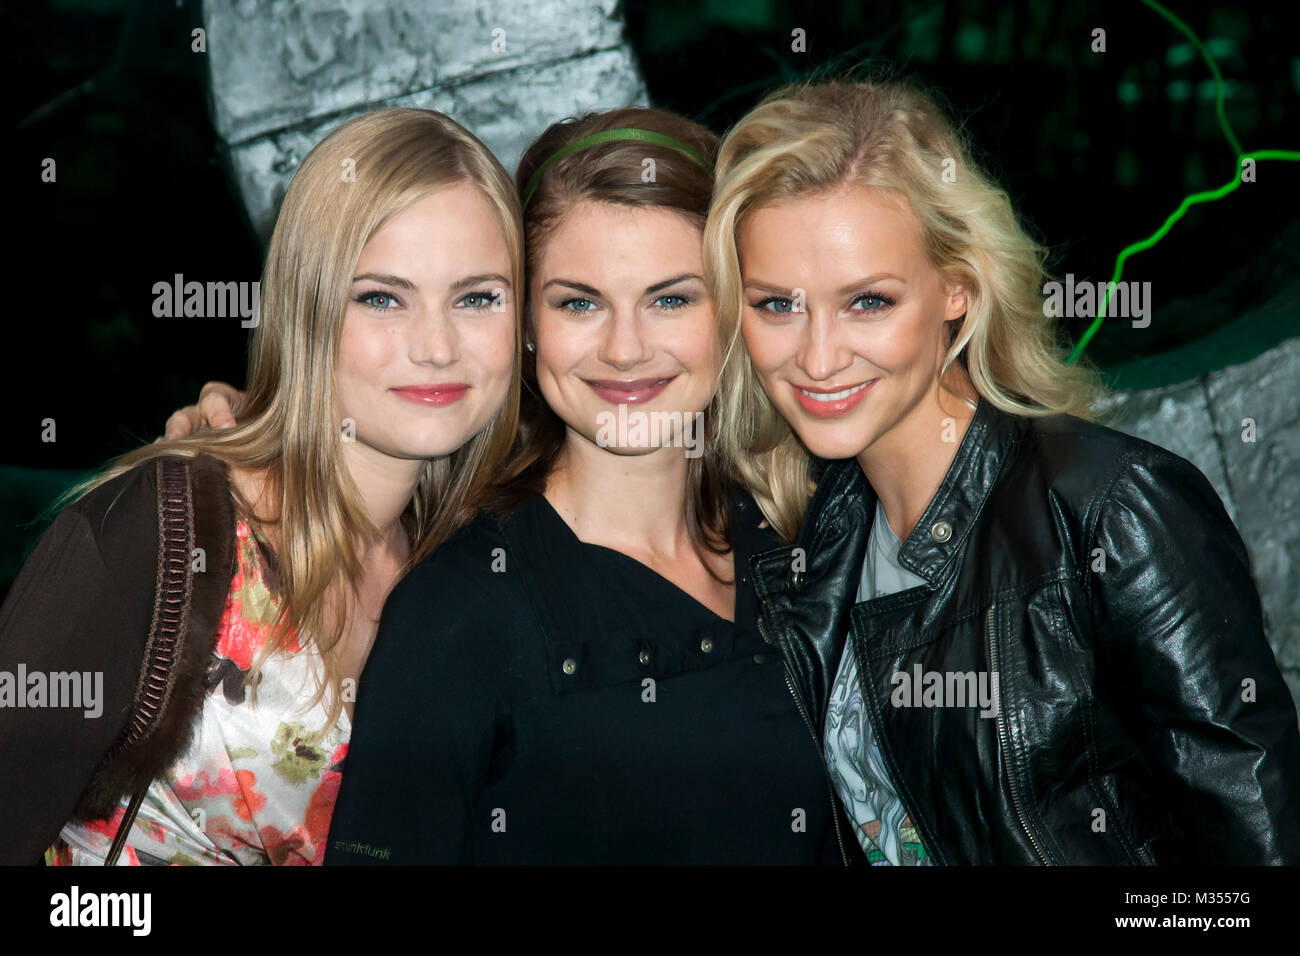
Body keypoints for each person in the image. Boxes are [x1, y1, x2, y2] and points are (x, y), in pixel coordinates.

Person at [174, 107, 847, 865]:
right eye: (578, 302)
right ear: (526, 323)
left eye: (671, 298)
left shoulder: (813, 538)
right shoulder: (460, 608)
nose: (625, 349)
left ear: (733, 311)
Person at [702, 77, 1300, 864]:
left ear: (958, 287)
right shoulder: (810, 538)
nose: (817, 355)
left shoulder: (1111, 511)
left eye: (868, 302)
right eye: (777, 304)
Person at [0, 107, 523, 866]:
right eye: (382, 296)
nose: (437, 345)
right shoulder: (164, 525)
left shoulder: (473, 564)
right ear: (306, 307)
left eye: (477, 297)